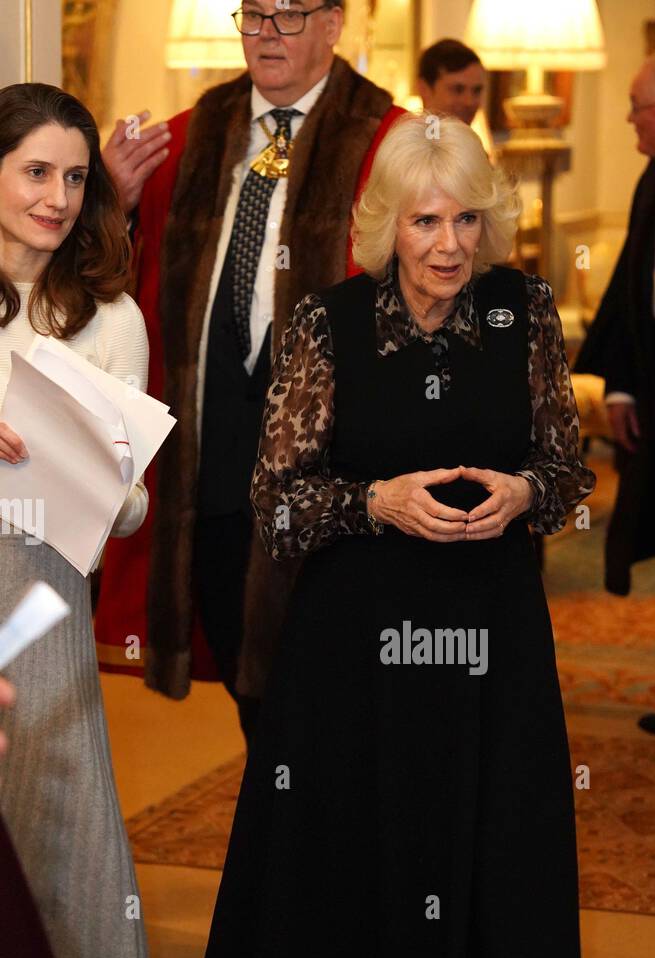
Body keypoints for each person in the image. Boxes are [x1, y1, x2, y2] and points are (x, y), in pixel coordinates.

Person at [201, 113, 595, 958]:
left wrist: (528, 494)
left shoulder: (524, 313)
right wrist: (374, 501)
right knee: (379, 849)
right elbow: (276, 501)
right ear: (388, 224)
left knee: (495, 859)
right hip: (359, 645)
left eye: (468, 216)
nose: (451, 243)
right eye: (427, 218)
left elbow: (569, 471)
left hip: (493, 639)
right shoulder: (326, 324)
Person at [93, 0, 404, 747]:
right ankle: (283, 846)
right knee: (249, 683)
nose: (266, 33)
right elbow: (105, 293)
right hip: (219, 472)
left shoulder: (394, 143)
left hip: (338, 476)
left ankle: (329, 852)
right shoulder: (187, 139)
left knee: (339, 694)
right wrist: (113, 207)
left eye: (289, 16)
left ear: (334, 23)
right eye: (253, 14)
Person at [0, 83, 163, 958]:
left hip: (43, 592)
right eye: (34, 172)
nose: (57, 197)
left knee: (50, 838)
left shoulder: (107, 316)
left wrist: (95, 475)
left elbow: (133, 506)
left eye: (72, 176)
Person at [574, 51, 655, 739]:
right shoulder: (654, 182)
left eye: (636, 105)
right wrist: (619, 385)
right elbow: (632, 288)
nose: (628, 118)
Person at [417, 39, 486, 127]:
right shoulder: (402, 139)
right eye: (458, 90)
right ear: (424, 89)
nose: (469, 102)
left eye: (476, 91)